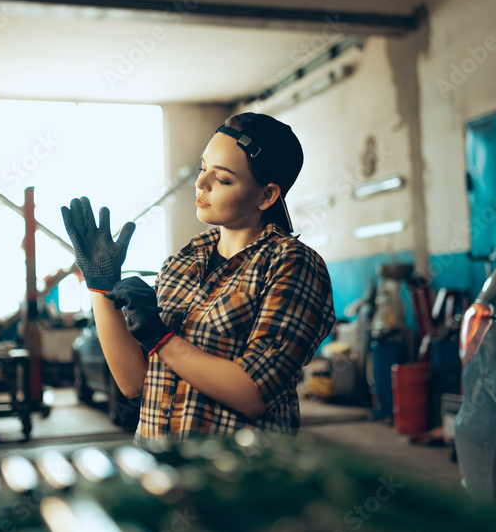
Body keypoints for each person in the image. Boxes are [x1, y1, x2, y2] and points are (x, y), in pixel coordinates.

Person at [61, 112, 335, 445]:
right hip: (159, 462)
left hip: (237, 470)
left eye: (223, 179)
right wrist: (100, 286)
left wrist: (160, 337)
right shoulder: (182, 262)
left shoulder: (291, 264)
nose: (201, 183)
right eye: (203, 168)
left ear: (267, 195)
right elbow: (134, 383)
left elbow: (253, 393)